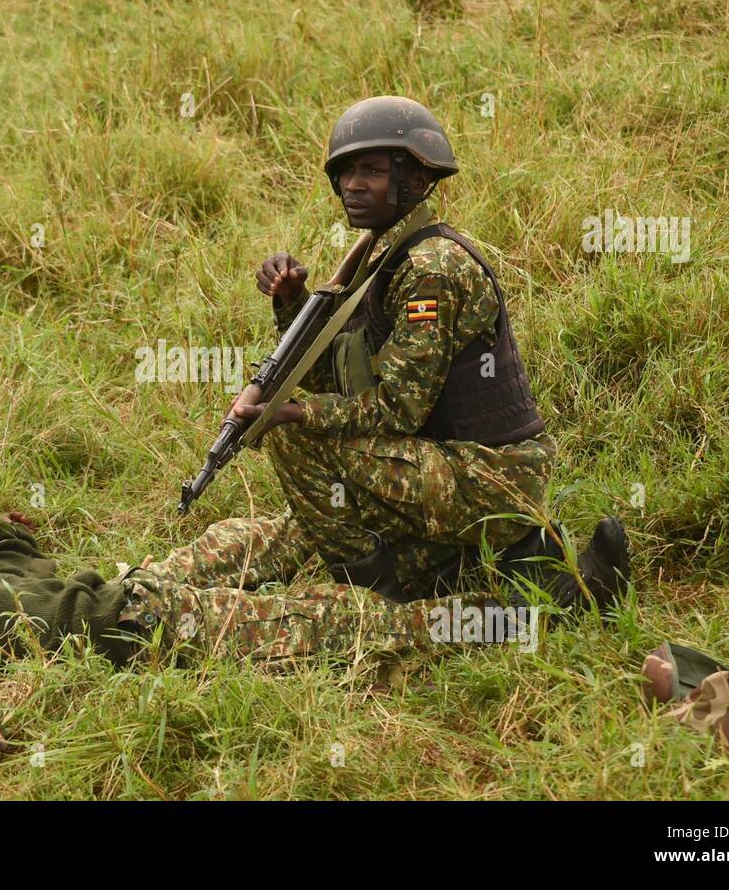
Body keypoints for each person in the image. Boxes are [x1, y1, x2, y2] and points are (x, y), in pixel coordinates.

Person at [221, 95, 629, 606]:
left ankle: (377, 606)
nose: (352, 185)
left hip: (490, 474)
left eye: (371, 170)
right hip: (457, 462)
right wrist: (291, 303)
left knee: (295, 441)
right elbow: (346, 382)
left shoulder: (430, 268)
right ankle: (516, 563)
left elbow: (398, 408)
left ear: (414, 178)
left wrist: (293, 415)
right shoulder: (387, 254)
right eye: (345, 172)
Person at [0, 513, 524, 760]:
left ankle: (459, 551)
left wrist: (7, 537)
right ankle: (543, 603)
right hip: (129, 627)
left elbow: (10, 585)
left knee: (285, 530)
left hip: (128, 583)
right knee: (348, 624)